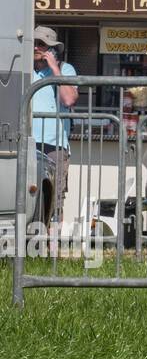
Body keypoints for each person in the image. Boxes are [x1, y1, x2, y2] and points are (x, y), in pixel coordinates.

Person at [31, 26, 78, 229]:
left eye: (41, 44)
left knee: (54, 200)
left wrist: (55, 69)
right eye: (34, 43)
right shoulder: (24, 69)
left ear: (51, 48)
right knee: (27, 196)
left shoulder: (65, 69)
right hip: (27, 142)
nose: (36, 47)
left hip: (54, 145)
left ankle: (52, 253)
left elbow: (69, 99)